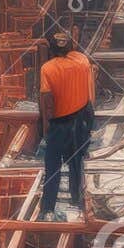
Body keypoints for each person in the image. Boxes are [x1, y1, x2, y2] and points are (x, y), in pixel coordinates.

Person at [37, 29, 94, 221]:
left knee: (53, 167)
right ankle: (77, 201)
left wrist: (46, 129)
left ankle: (47, 209)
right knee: (76, 163)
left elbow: (47, 101)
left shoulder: (47, 68)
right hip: (81, 121)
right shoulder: (83, 61)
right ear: (71, 47)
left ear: (52, 49)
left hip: (59, 124)